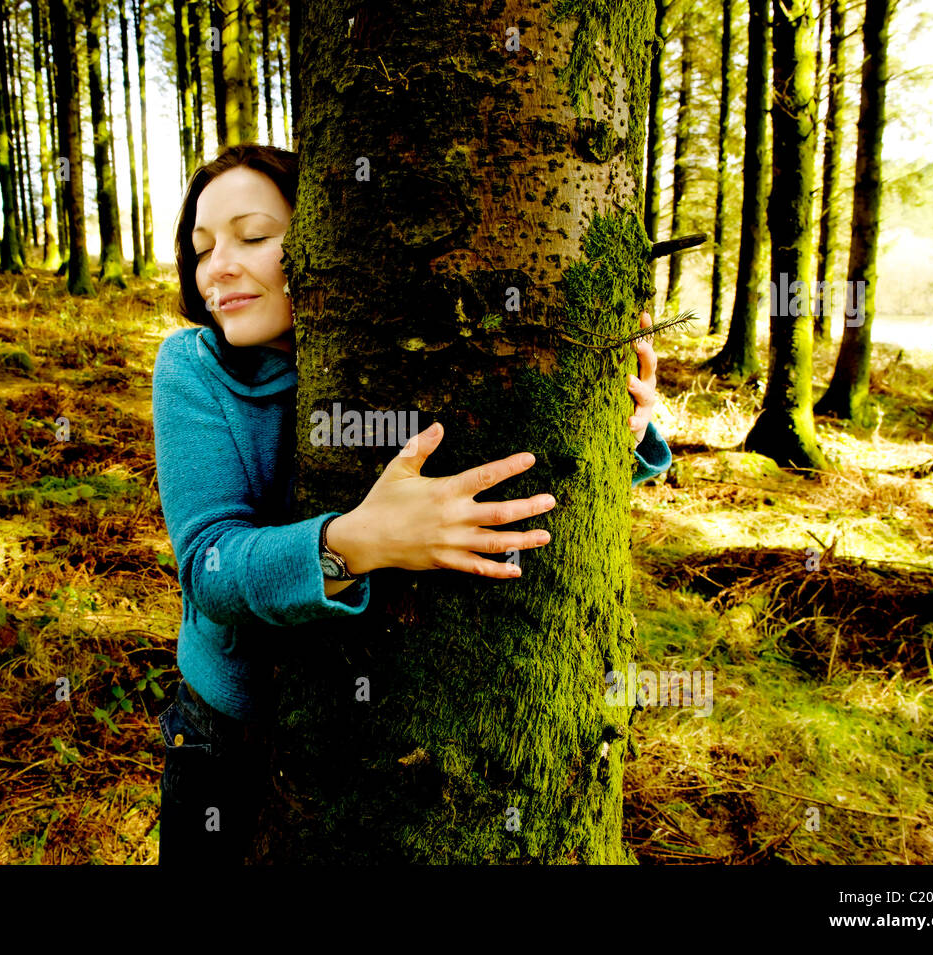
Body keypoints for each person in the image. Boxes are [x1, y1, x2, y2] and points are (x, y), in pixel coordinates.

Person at [151, 143, 673, 865]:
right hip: (227, 733)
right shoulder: (192, 365)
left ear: (322, 240)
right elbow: (207, 567)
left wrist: (616, 432)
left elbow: (504, 486)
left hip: (385, 741)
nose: (217, 268)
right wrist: (360, 540)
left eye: (254, 236)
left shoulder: (399, 347)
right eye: (202, 247)